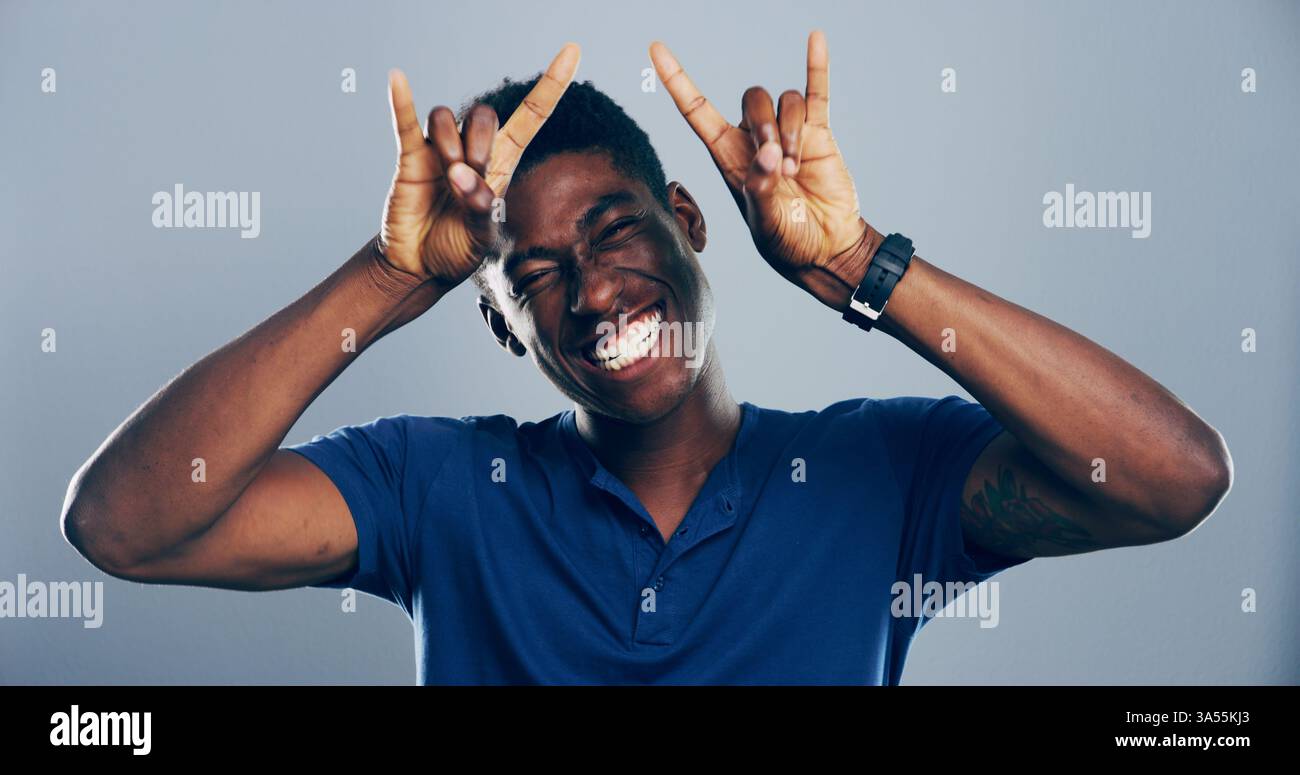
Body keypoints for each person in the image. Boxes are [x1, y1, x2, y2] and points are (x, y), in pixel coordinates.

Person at [60, 35, 1231, 684]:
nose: (593, 292)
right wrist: (391, 272)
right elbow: (126, 524)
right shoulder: (437, 489)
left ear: (691, 218)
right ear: (501, 325)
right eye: (534, 278)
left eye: (614, 231)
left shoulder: (879, 475)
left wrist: (862, 265)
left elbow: (1169, 477)